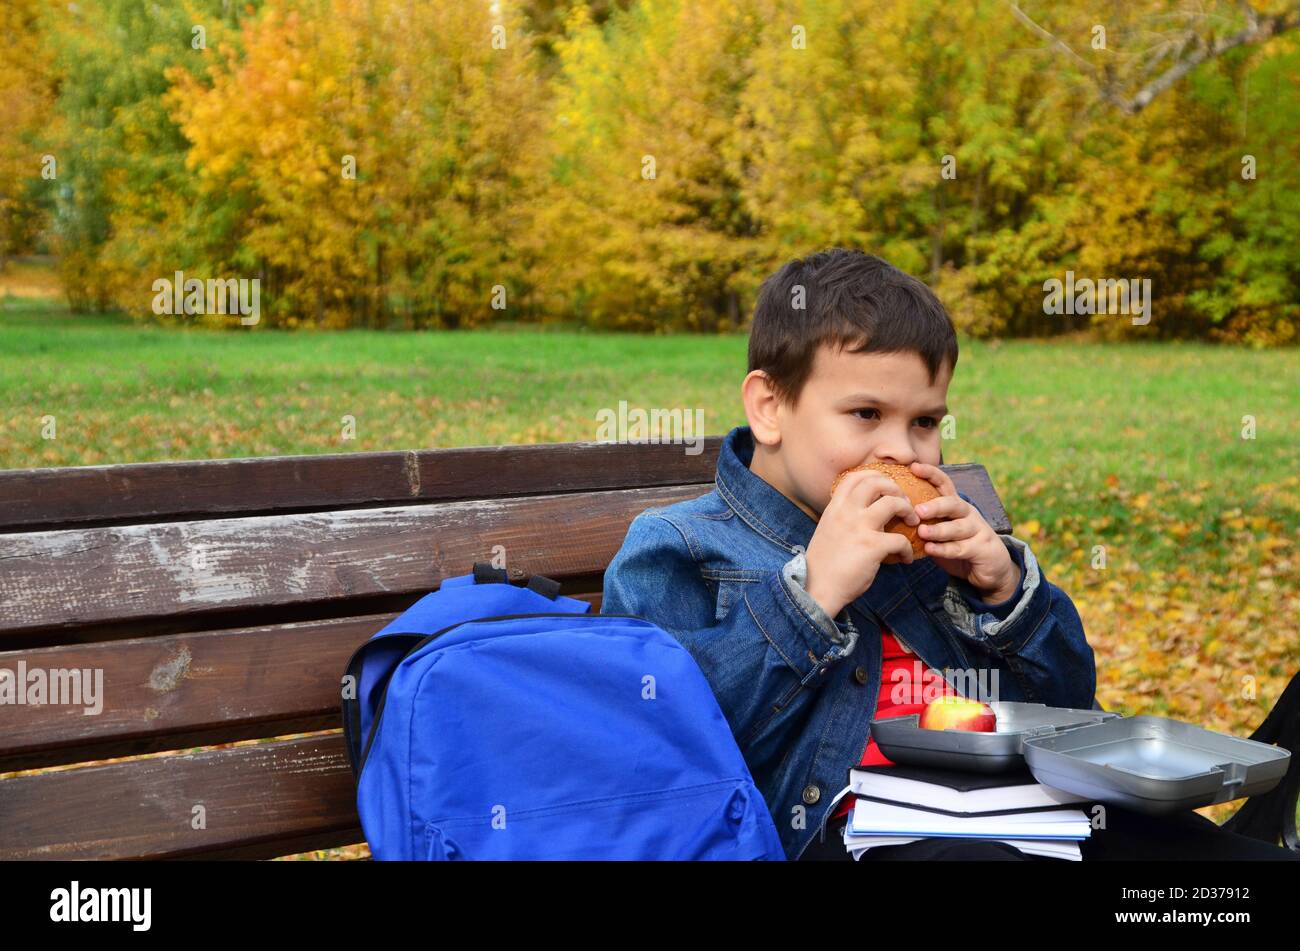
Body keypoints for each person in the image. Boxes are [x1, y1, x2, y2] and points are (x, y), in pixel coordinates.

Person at [601, 248, 1298, 862]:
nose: (904, 450)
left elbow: (1069, 709)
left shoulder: (937, 549)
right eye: (867, 414)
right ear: (771, 406)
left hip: (1030, 819)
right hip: (845, 838)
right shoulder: (681, 548)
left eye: (926, 421)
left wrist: (1008, 594)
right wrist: (809, 595)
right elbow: (668, 764)